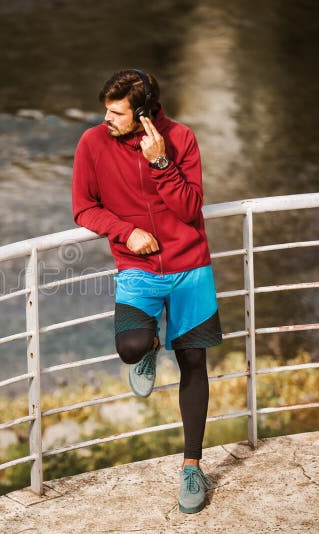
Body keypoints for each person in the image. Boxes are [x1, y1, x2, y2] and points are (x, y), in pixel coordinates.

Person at [71, 68, 222, 514]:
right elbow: (83, 207)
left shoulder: (181, 139)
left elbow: (191, 207)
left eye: (116, 113)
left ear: (143, 114)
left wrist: (161, 163)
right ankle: (153, 343)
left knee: (194, 360)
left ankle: (192, 465)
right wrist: (126, 232)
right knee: (130, 346)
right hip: (137, 266)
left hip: (190, 265)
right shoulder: (92, 144)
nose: (106, 120)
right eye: (105, 110)